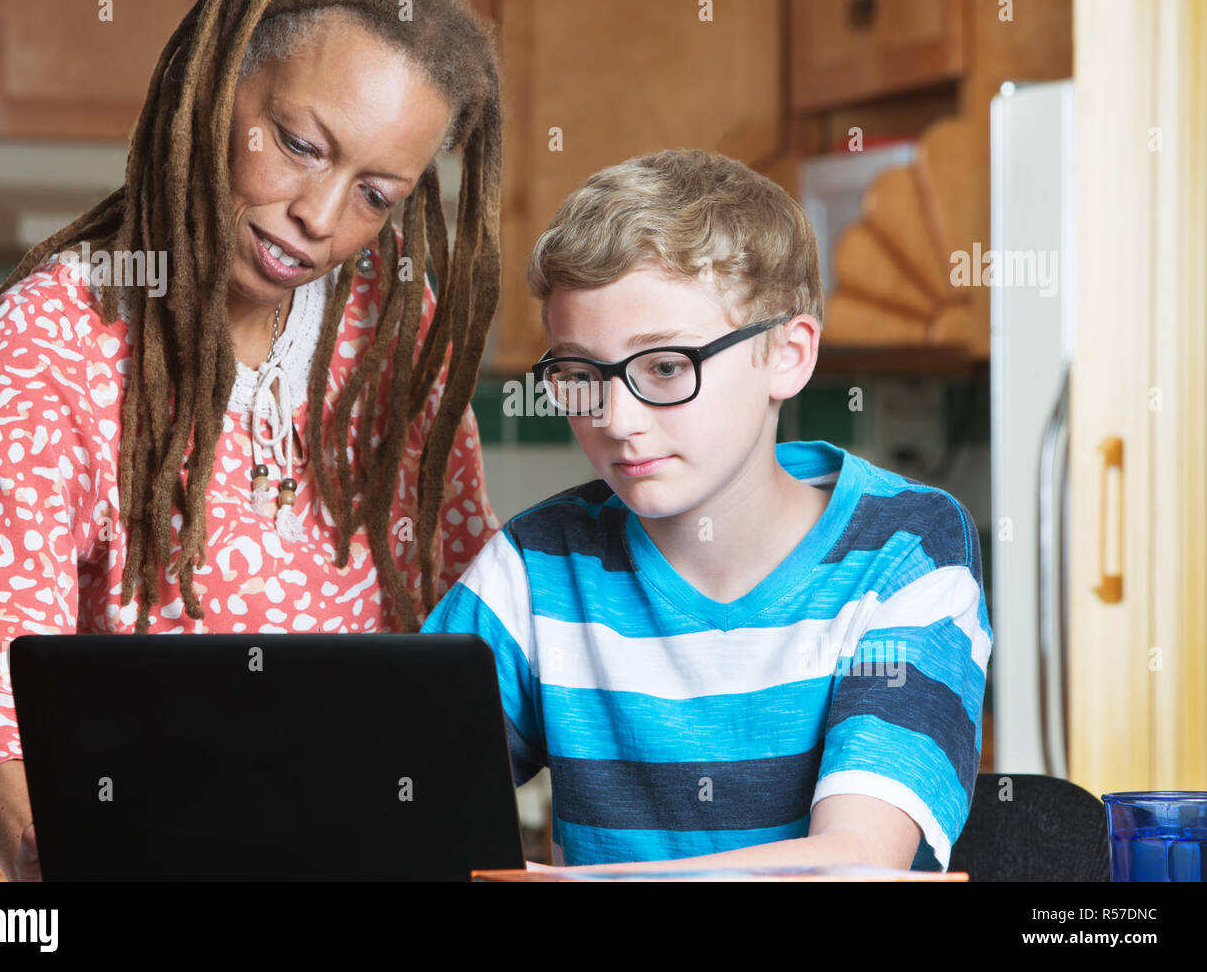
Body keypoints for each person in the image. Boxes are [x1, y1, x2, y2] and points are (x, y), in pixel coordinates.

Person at [0, 0, 503, 882]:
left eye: (375, 194)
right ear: (218, 81)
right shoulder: (56, 334)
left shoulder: (397, 323)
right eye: (298, 145)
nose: (320, 217)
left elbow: (478, 621)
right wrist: (52, 851)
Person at [422, 149, 992, 873]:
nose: (617, 418)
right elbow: (389, 793)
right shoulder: (538, 566)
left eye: (664, 366)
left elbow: (848, 867)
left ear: (787, 354)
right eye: (580, 374)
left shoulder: (905, 550)